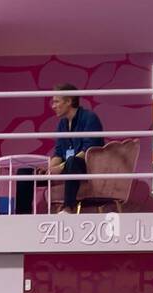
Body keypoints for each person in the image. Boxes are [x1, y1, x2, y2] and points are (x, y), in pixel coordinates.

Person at [48, 83, 104, 213]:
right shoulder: (62, 124)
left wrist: (62, 166)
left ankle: (68, 208)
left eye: (56, 102)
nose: (53, 106)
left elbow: (89, 151)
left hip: (87, 168)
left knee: (73, 162)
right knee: (26, 172)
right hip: (68, 166)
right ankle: (23, 213)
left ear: (69, 101)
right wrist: (50, 168)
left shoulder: (90, 118)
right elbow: (58, 153)